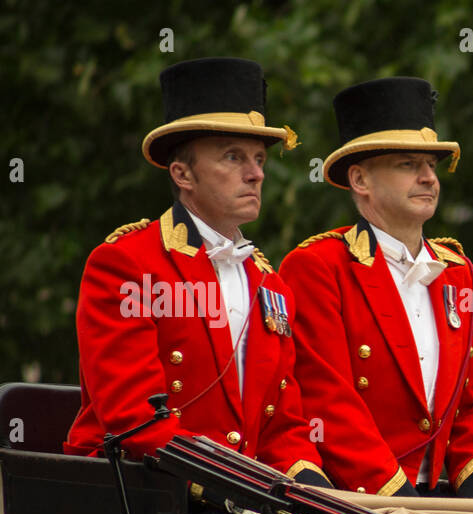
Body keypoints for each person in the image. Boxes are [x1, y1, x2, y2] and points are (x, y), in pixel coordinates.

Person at [63, 58, 330, 486]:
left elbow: (283, 426)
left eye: (260, 158)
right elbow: (135, 420)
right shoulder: (127, 264)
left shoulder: (270, 283)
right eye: (233, 156)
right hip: (146, 497)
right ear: (182, 173)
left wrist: (315, 494)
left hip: (237, 504)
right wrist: (241, 491)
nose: (256, 173)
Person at [280, 77, 473, 498]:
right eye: (408, 164)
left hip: (441, 503)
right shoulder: (317, 266)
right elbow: (328, 404)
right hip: (355, 500)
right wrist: (399, 502)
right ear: (361, 180)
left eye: (432, 166)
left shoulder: (459, 272)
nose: (427, 178)